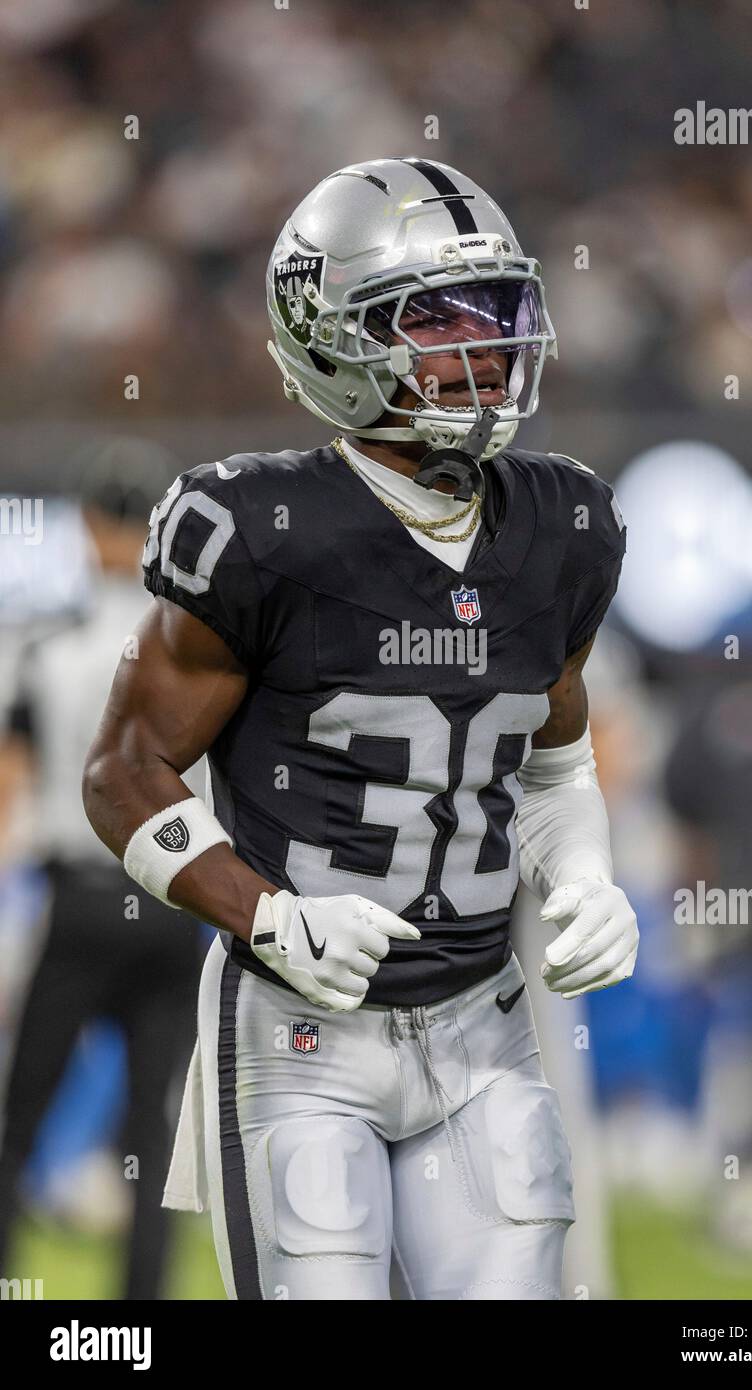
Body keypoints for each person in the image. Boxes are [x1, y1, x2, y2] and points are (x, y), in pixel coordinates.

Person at [82, 158, 638, 1301]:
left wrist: (582, 869)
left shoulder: (564, 522)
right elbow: (124, 772)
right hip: (299, 1033)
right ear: (329, 338)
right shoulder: (256, 528)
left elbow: (553, 758)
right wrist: (268, 915)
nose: (481, 350)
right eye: (431, 318)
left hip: (486, 1024)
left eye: (496, 311)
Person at [0, 456, 202, 1299]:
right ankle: (140, 1311)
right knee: (152, 1130)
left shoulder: (50, 644)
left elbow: (14, 776)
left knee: (23, 1114)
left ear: (88, 527)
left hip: (79, 900)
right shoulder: (193, 652)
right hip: (171, 902)